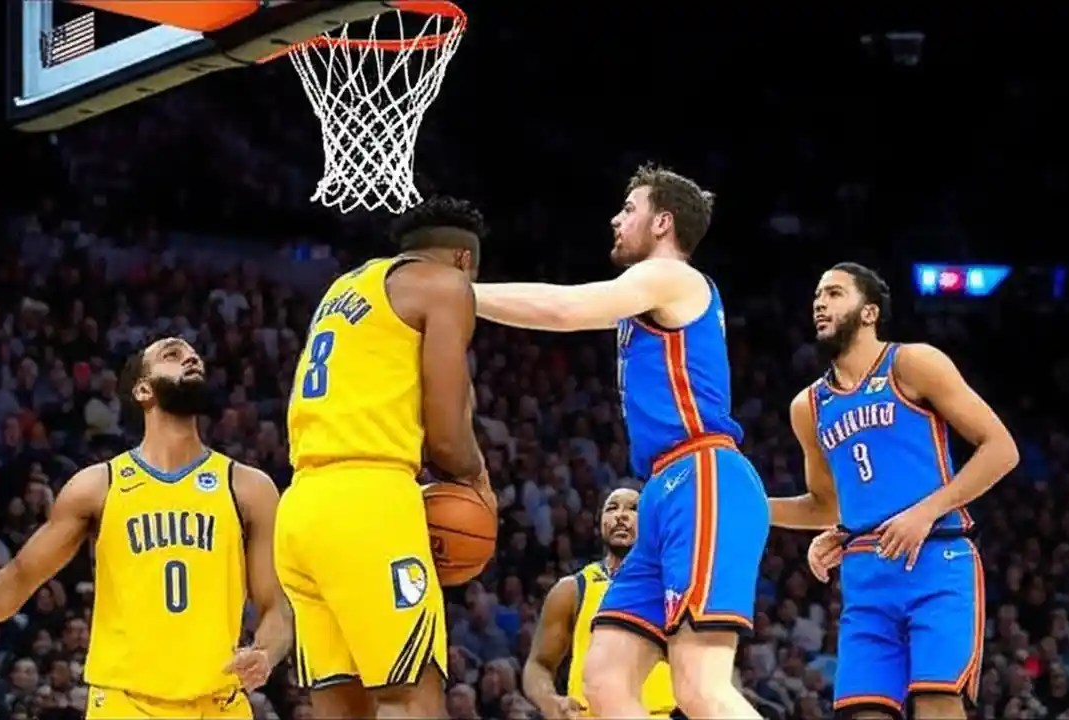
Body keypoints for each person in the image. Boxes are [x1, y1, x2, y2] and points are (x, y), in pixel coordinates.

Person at [474, 164, 767, 719]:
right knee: (605, 678)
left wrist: (458, 293)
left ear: (662, 222)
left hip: (701, 472)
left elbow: (562, 310)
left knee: (699, 686)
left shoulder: (670, 276)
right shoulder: (650, 295)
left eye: (628, 208)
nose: (615, 217)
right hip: (663, 487)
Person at [0, 337, 289, 719]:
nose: (191, 357)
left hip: (217, 701)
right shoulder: (98, 485)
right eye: (172, 355)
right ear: (143, 389)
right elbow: (22, 577)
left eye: (194, 354)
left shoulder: (249, 487)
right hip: (124, 704)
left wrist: (264, 652)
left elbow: (275, 607)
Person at [768, 263, 1019, 719]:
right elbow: (826, 505)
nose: (820, 303)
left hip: (936, 560)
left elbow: (1001, 449)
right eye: (817, 296)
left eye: (835, 293)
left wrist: (925, 512)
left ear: (869, 312)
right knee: (863, 711)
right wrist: (749, 508)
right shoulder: (808, 406)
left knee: (936, 702)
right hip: (865, 578)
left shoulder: (912, 363)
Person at [280, 195, 490, 719]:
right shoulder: (446, 285)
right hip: (368, 502)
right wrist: (478, 480)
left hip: (303, 507)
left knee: (341, 707)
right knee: (411, 700)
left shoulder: (345, 289)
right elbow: (445, 437)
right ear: (465, 260)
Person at [523, 487, 678, 719]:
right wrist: (550, 701)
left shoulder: (673, 589)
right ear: (601, 523)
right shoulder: (573, 589)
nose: (621, 515)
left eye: (633, 509)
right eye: (612, 508)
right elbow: (538, 664)